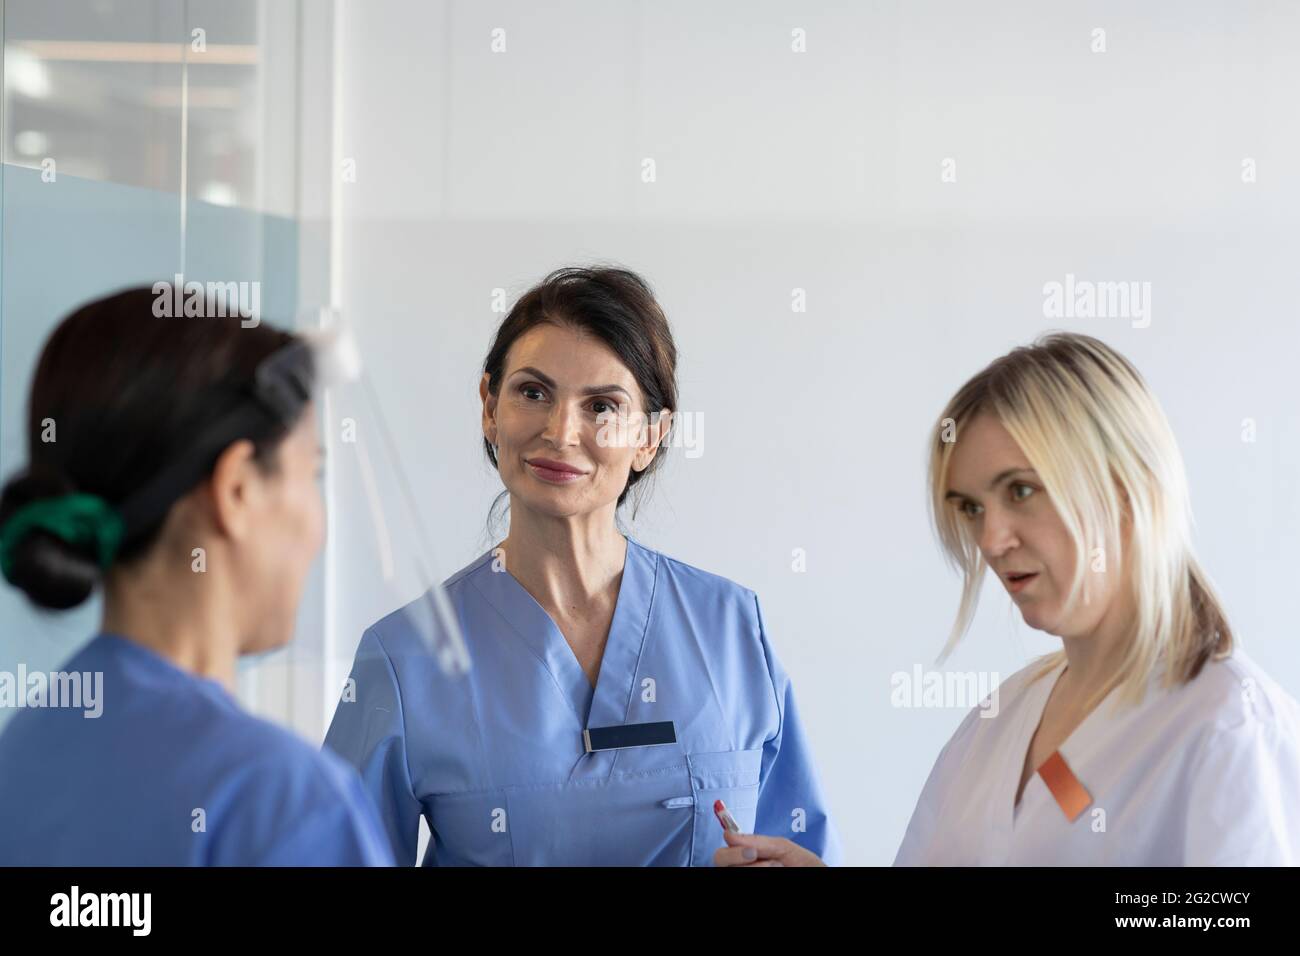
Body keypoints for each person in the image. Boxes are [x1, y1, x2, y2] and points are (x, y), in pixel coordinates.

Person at [718, 332, 1300, 867]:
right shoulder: (1002, 720)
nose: (992, 541)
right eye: (971, 507)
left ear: (1127, 487)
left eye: (1021, 491)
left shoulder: (1227, 728)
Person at [325, 267, 840, 866]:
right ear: (490, 407)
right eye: (533, 393)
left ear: (650, 436)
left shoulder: (732, 628)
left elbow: (796, 845)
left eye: (601, 406)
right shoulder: (404, 657)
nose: (560, 432)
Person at [0, 286, 392, 866]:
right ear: (236, 489)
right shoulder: (285, 805)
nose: (318, 522)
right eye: (312, 471)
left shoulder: (23, 755)